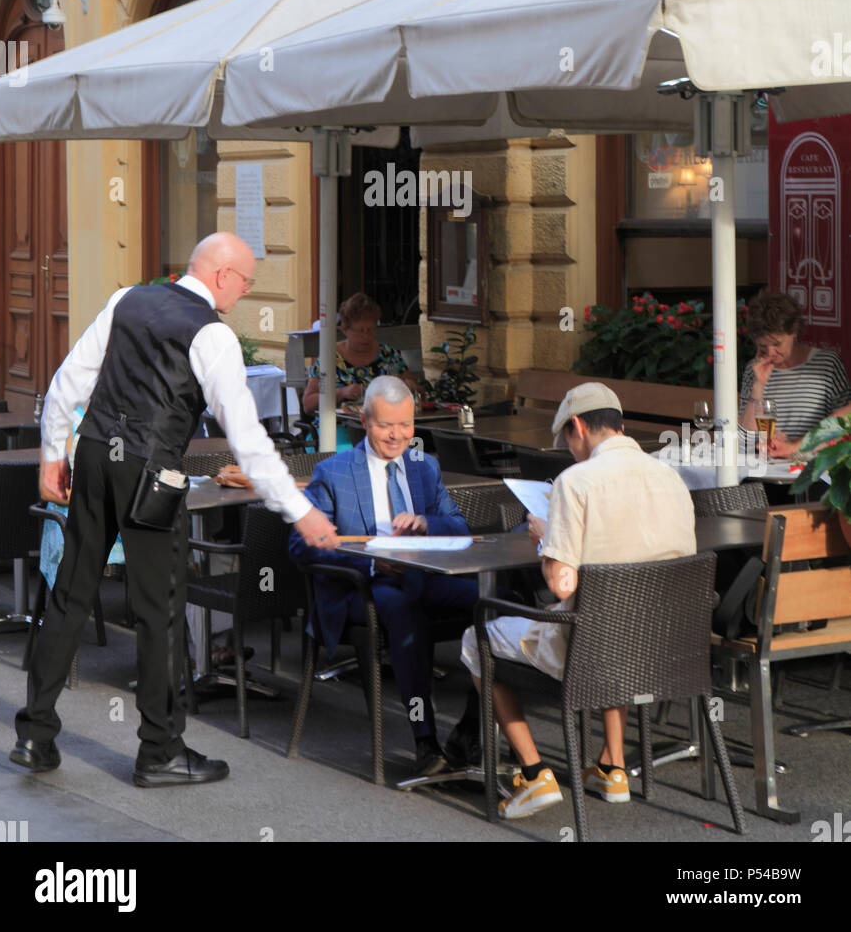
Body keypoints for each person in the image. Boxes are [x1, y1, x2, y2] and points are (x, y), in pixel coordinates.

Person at [12, 232, 338, 787]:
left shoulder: (127, 299)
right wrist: (299, 511)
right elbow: (248, 439)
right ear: (221, 276)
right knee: (160, 608)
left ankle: (34, 736)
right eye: (246, 281)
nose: (245, 292)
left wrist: (51, 456)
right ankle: (159, 750)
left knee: (70, 592)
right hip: (151, 471)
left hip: (94, 453)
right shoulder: (213, 335)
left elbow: (68, 380)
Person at [460, 382, 696, 820]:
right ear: (620, 425)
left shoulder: (576, 482)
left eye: (567, 440)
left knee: (476, 639)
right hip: (663, 648)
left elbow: (563, 585)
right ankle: (614, 766)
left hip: (591, 650)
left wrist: (547, 536)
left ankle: (533, 774)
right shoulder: (672, 479)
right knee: (615, 614)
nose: (569, 451)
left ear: (578, 427)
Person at [289, 375, 479, 777]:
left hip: (422, 576)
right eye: (385, 425)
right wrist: (373, 562)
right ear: (363, 419)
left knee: (489, 601)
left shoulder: (423, 466)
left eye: (406, 425)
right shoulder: (334, 471)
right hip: (361, 586)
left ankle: (471, 728)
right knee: (402, 605)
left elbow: (460, 527)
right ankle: (425, 740)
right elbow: (300, 545)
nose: (397, 436)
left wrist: (426, 523)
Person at [738, 288, 851, 459]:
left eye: (777, 344)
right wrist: (758, 386)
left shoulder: (826, 364)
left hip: (810, 470)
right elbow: (745, 438)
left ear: (794, 333)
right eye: (762, 346)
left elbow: (841, 427)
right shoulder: (754, 368)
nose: (770, 352)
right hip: (763, 470)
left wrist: (792, 444)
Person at [302, 292, 419, 448]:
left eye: (370, 330)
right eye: (359, 331)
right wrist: (341, 393)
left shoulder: (388, 355)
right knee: (355, 455)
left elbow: (417, 390)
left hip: (383, 427)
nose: (366, 336)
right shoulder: (330, 358)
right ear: (345, 329)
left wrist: (407, 386)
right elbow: (308, 404)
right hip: (337, 429)